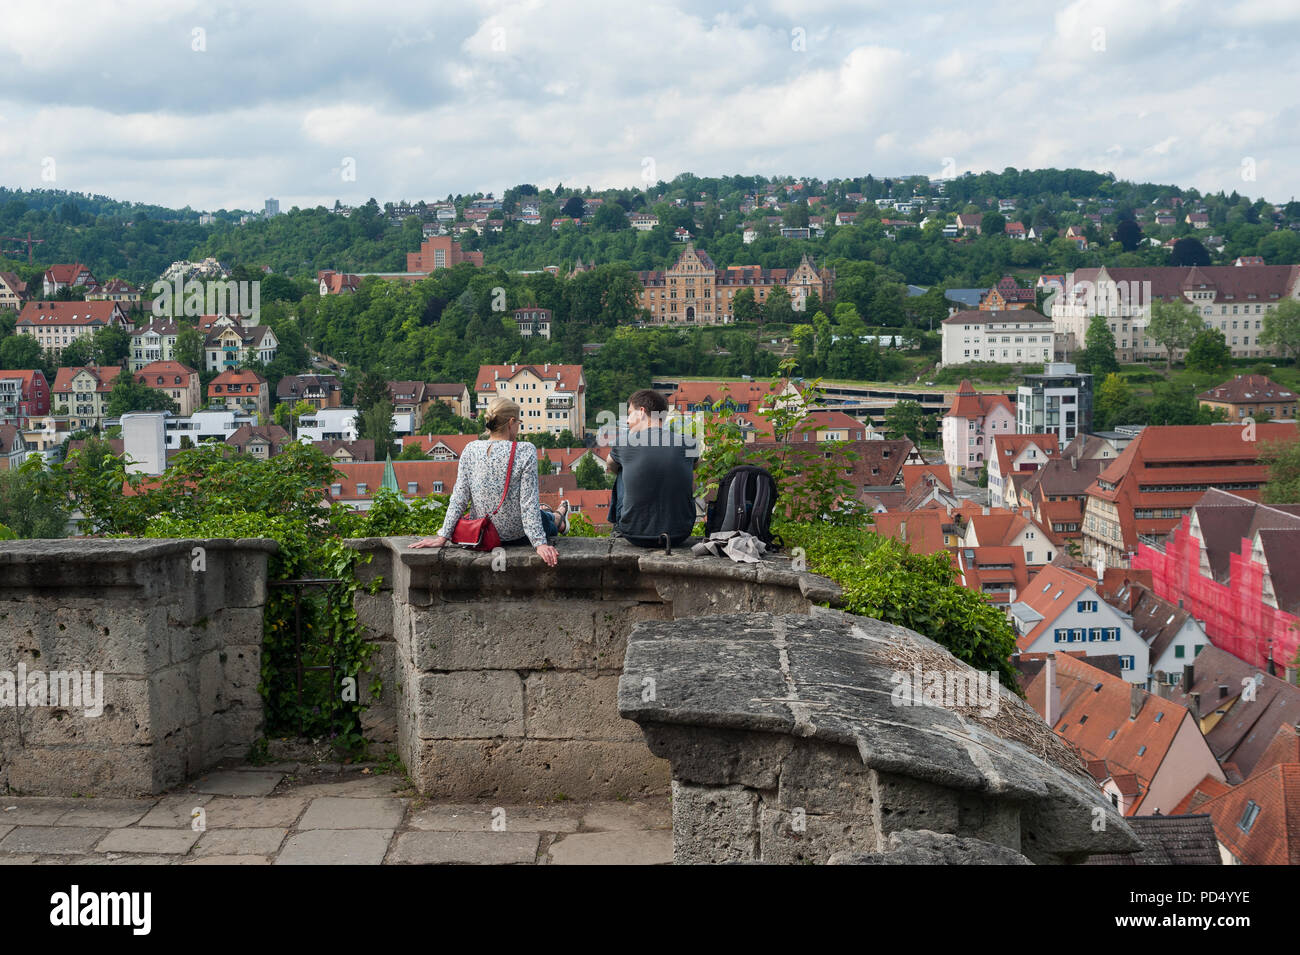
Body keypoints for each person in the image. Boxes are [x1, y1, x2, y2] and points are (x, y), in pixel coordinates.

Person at [410, 397, 566, 566]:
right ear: (511, 422)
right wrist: (540, 543)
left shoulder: (470, 449)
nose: (518, 427)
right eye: (518, 422)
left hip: (481, 534)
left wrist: (443, 536)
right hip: (516, 536)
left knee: (540, 513)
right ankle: (559, 519)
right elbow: (528, 504)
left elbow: (459, 498)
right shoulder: (525, 450)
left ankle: (553, 513)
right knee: (544, 519)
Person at [605, 388, 697, 547]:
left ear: (641, 412)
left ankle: (617, 528)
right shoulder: (688, 442)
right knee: (682, 466)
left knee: (621, 468)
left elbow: (610, 465)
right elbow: (696, 466)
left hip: (634, 533)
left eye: (629, 413)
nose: (627, 420)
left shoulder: (624, 443)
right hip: (679, 534)